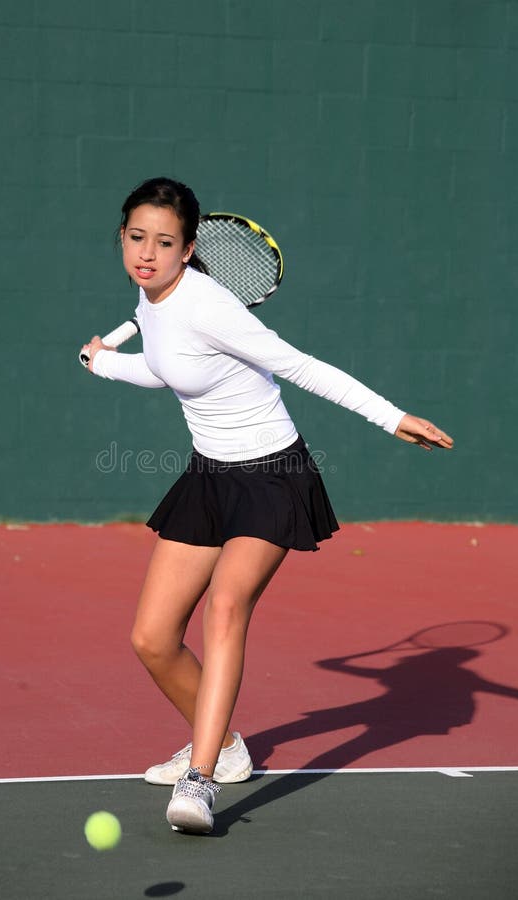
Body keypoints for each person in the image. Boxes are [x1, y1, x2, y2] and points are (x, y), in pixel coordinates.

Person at [80, 177, 454, 835]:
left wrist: (389, 415)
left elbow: (298, 365)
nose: (148, 252)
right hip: (209, 475)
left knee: (225, 609)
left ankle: (198, 785)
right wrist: (107, 363)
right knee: (152, 638)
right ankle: (223, 748)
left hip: (272, 474)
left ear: (189, 247)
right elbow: (170, 369)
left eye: (165, 242)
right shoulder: (149, 298)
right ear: (121, 238)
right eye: (137, 237)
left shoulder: (208, 305)